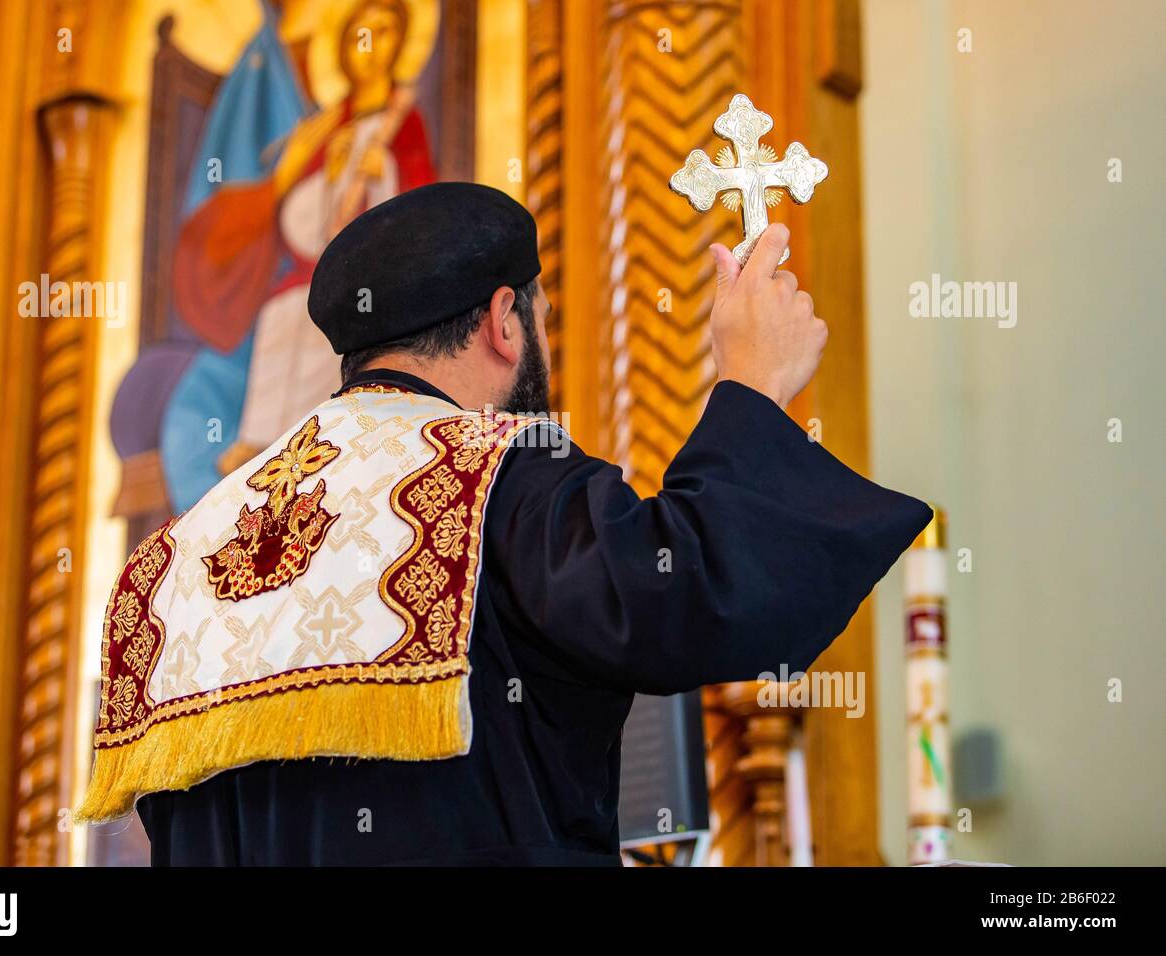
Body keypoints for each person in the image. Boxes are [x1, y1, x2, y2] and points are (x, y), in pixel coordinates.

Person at [76, 182, 931, 866]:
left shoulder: (176, 555)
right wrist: (753, 387)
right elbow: (691, 598)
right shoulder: (495, 480)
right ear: (503, 320)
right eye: (542, 317)